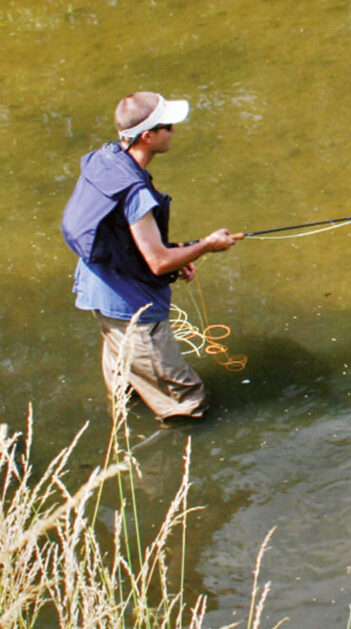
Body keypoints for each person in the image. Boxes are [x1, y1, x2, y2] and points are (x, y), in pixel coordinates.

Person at [61, 91, 237, 420]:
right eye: (168, 126)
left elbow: (122, 236)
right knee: (187, 398)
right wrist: (206, 245)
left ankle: (127, 434)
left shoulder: (106, 159)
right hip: (132, 310)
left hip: (98, 290)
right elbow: (157, 262)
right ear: (148, 136)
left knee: (124, 383)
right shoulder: (135, 193)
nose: (174, 131)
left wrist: (181, 254)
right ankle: (174, 455)